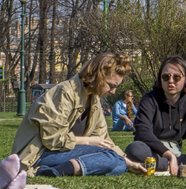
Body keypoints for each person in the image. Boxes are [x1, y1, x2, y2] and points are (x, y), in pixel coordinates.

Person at [11, 52, 147, 177]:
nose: (113, 92)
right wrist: (89, 141)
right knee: (111, 158)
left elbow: (103, 139)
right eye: (111, 86)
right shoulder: (65, 93)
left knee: (119, 165)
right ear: (97, 76)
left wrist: (130, 163)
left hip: (62, 154)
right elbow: (53, 139)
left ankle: (58, 169)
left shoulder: (93, 99)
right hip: (38, 155)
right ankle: (59, 170)